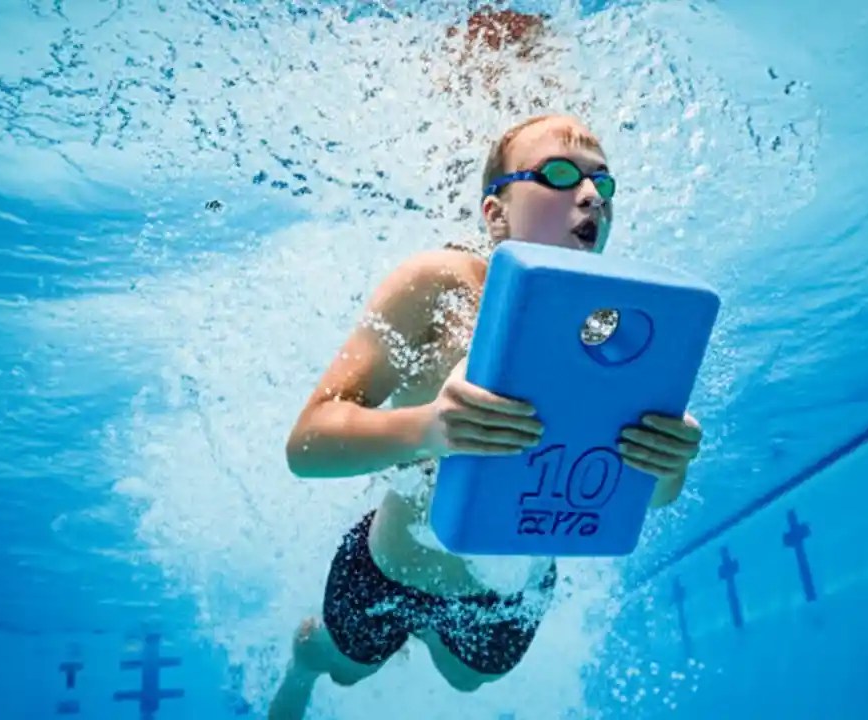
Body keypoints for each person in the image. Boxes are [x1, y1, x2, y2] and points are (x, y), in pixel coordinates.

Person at [267, 112, 704, 719]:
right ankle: (304, 661)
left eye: (603, 185)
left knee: (467, 683)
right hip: (391, 569)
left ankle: (419, 644)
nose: (589, 196)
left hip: (506, 593)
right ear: (495, 213)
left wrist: (670, 459)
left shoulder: (619, 324)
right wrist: (429, 429)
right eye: (558, 174)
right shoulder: (440, 285)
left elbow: (650, 496)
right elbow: (307, 444)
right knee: (342, 670)